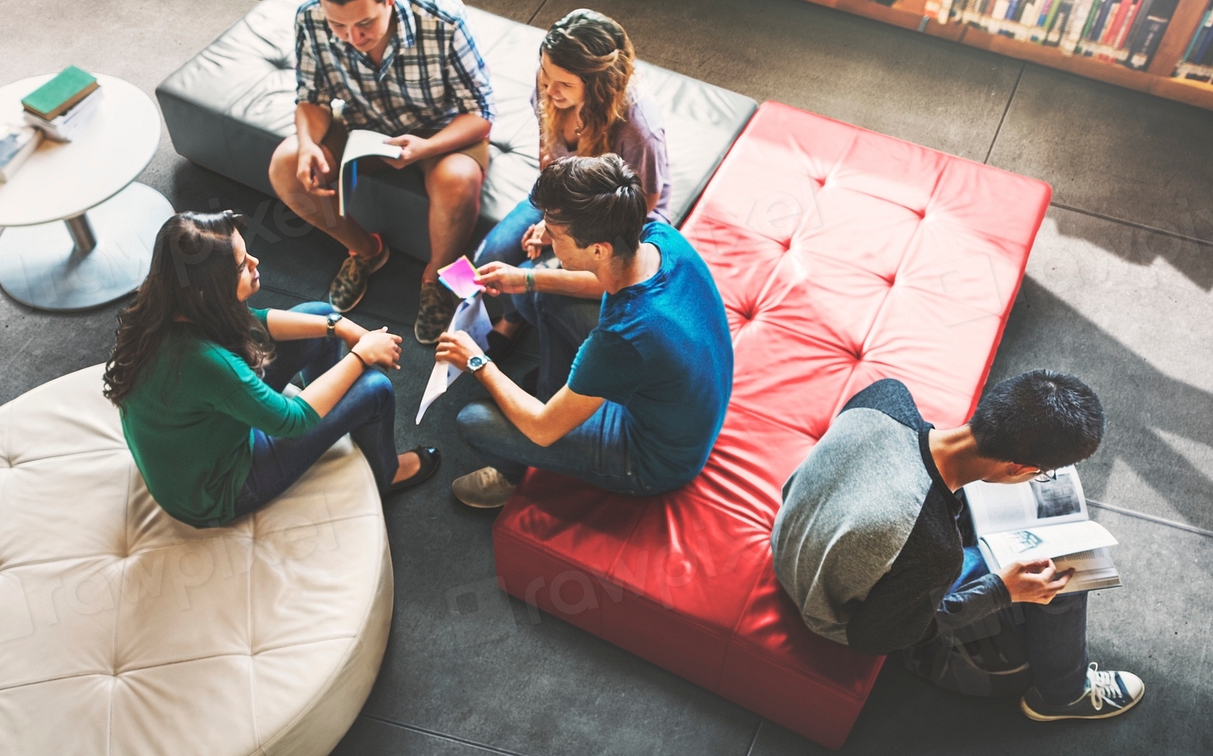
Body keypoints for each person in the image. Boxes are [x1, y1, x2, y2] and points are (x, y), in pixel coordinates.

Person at [771, 373, 1145, 723]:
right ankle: (1065, 695)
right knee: (1058, 572)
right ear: (1018, 469)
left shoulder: (886, 396)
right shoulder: (933, 547)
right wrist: (1001, 591)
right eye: (1042, 473)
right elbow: (874, 638)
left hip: (789, 536)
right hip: (826, 608)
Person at [105, 211, 440, 528]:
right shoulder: (207, 363)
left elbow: (254, 322)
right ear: (209, 290)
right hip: (216, 491)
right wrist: (361, 356)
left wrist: (340, 326)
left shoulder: (169, 304)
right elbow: (292, 420)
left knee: (320, 315)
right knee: (375, 390)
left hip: (199, 444)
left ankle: (337, 416)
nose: (255, 263)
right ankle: (386, 473)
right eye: (241, 266)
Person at [436, 154, 732, 509]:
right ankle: (558, 393)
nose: (547, 238)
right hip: (686, 401)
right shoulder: (660, 238)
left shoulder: (621, 339)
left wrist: (477, 362)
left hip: (655, 459)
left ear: (597, 249)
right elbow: (607, 283)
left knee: (474, 420)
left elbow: (543, 430)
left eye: (556, 234)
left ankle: (512, 475)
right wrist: (525, 278)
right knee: (544, 298)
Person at [267, 0, 496, 344]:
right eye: (338, 26)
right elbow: (311, 98)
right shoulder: (310, 18)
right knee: (285, 166)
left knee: (457, 180)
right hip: (363, 124)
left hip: (441, 131)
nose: (353, 39)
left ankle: (438, 279)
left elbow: (480, 115)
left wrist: (426, 147)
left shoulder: (442, 16)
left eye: (365, 23)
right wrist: (306, 146)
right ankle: (366, 250)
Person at [474, 9, 670, 373]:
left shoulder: (639, 128)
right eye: (545, 75)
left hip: (617, 215)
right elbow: (548, 156)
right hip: (564, 194)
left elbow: (641, 204)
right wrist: (551, 220)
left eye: (563, 84)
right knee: (491, 256)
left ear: (597, 86)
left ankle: (541, 340)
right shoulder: (550, 87)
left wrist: (560, 232)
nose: (549, 89)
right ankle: (516, 319)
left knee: (544, 293)